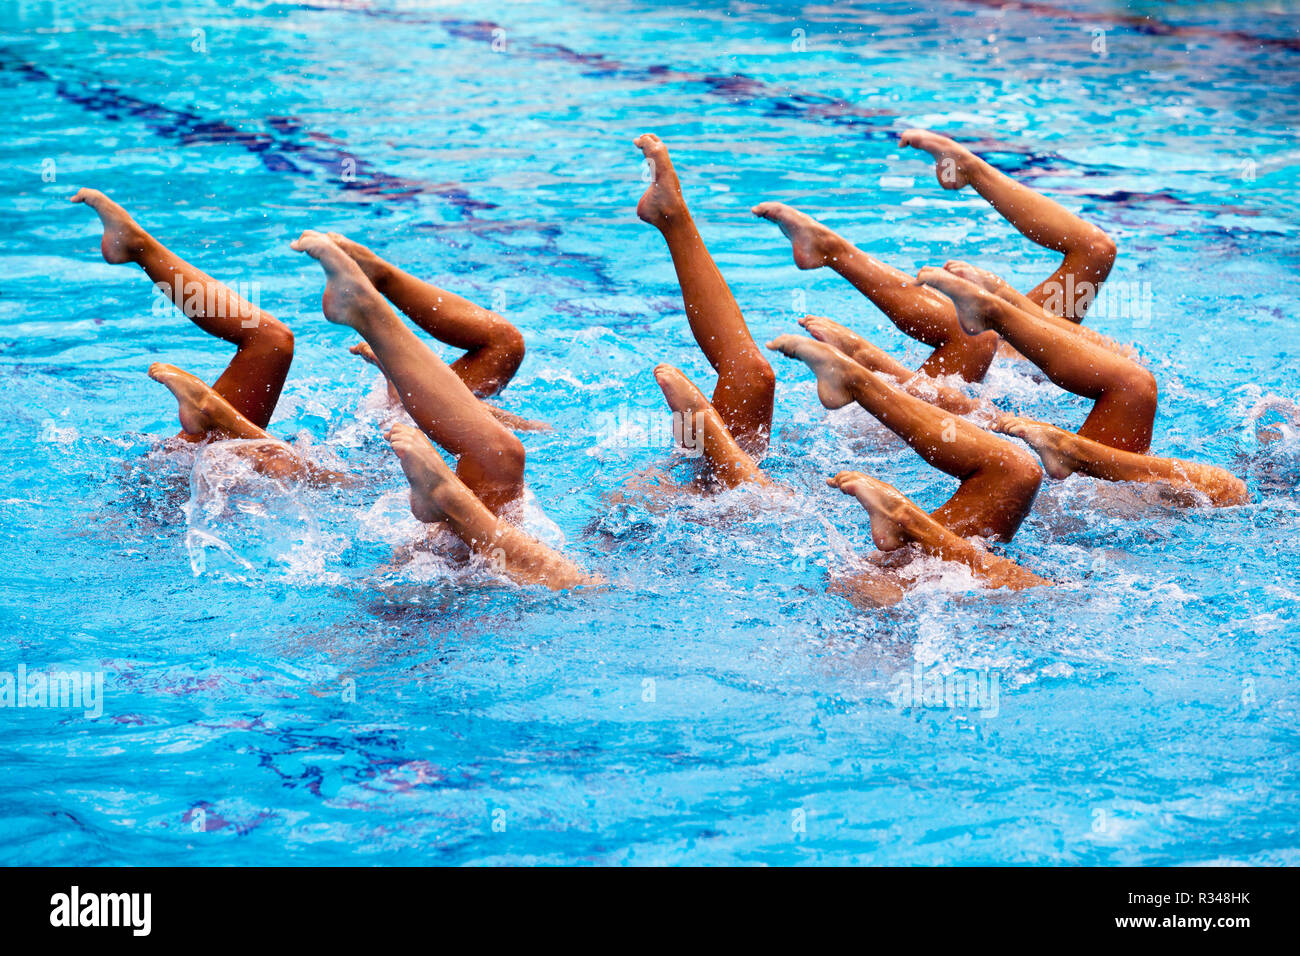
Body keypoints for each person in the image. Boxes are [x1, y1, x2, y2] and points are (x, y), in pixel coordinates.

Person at [291, 230, 598, 590]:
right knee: (504, 359)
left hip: (431, 611)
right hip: (465, 585)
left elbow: (582, 591)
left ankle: (445, 495)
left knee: (498, 455)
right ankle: (374, 297)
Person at [752, 128, 1118, 382]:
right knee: (1097, 251)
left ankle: (833, 256)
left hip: (982, 389)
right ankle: (970, 169)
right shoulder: (1132, 380)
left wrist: (1004, 297)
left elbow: (966, 416)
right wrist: (1004, 303)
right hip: (1045, 362)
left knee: (977, 336)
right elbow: (1107, 361)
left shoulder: (1129, 392)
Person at [918, 265, 1247, 505]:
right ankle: (999, 307)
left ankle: (1076, 452)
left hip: (1093, 506)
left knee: (1232, 490)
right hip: (1097, 496)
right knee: (1133, 382)